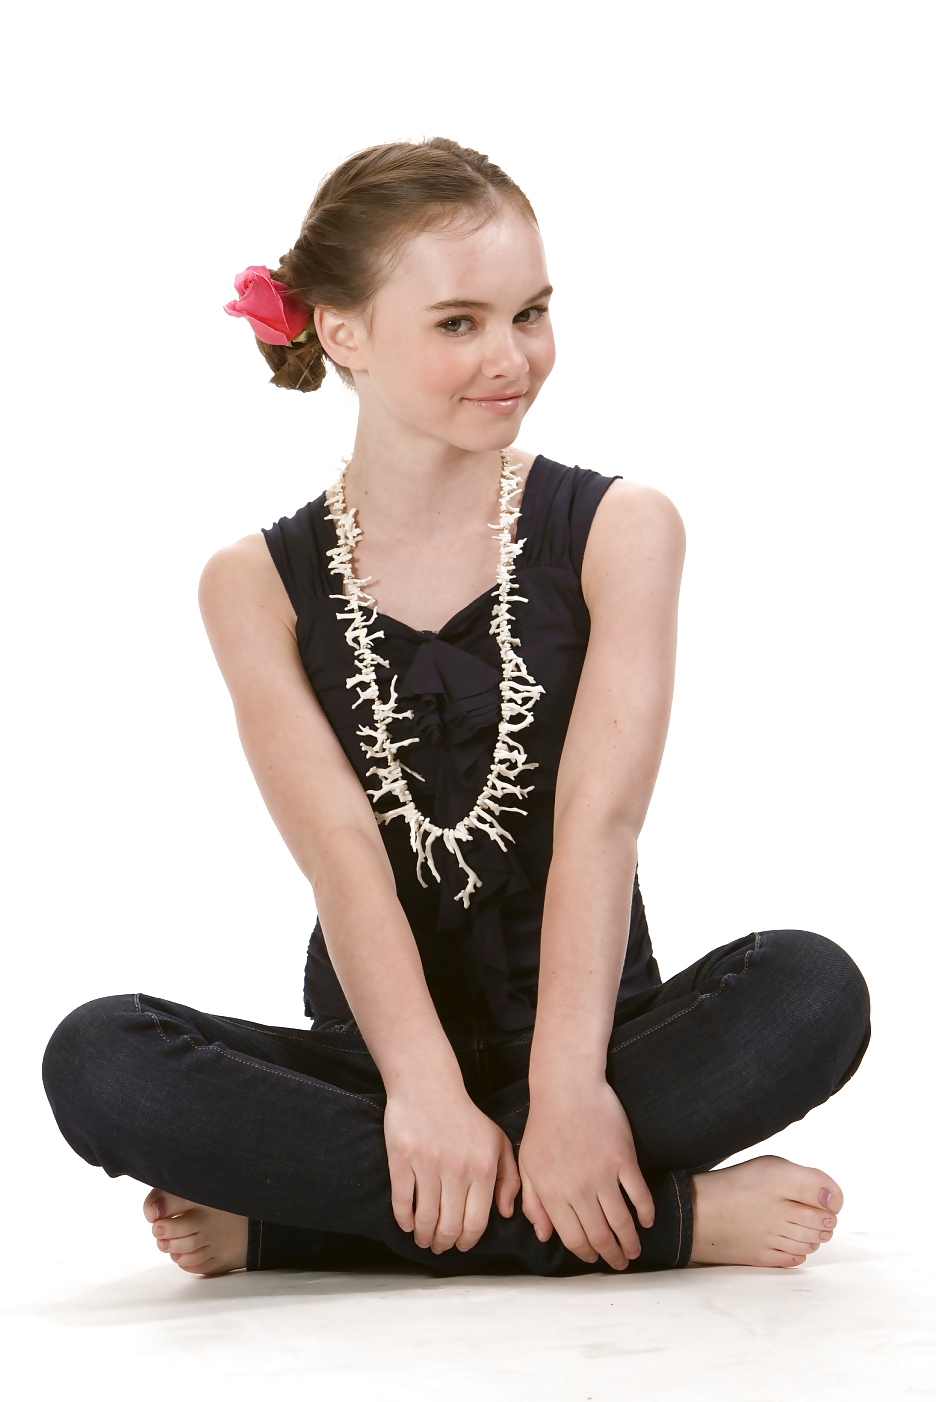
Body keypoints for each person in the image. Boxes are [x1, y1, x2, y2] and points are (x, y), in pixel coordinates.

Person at [42, 138, 870, 1279]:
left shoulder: (623, 528)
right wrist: (425, 1093)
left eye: (531, 313)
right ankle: (665, 1221)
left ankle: (315, 1223)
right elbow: (341, 855)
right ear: (344, 331)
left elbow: (600, 823)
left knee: (813, 992)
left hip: (601, 1048)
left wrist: (568, 1092)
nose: (510, 357)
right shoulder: (253, 583)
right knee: (98, 1060)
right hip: (381, 1071)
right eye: (458, 323)